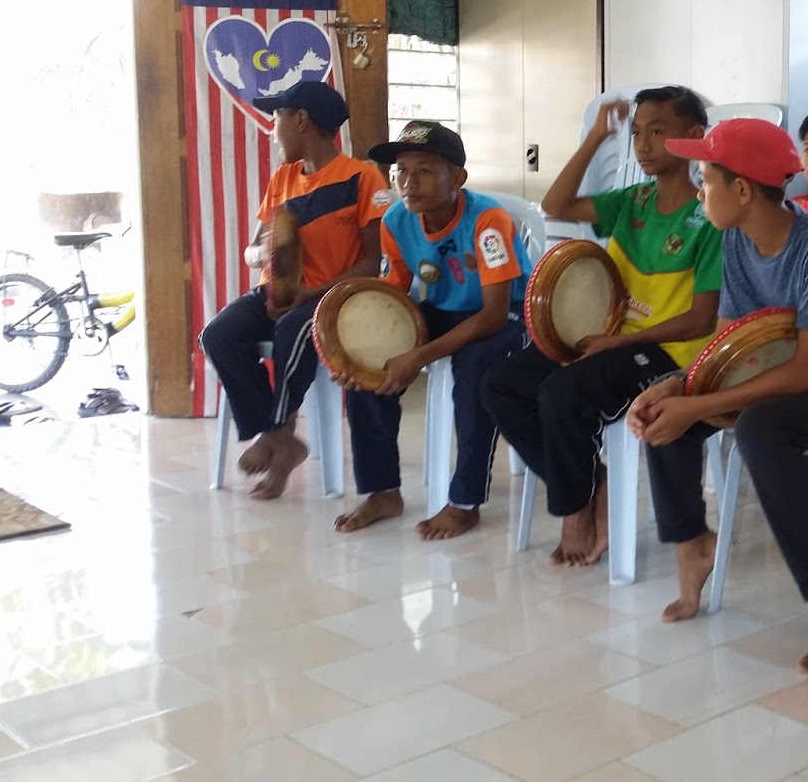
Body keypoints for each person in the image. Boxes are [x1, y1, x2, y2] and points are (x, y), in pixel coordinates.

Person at [626, 118, 808, 675]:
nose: (698, 188)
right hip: (787, 371)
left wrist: (698, 404)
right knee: (664, 411)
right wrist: (675, 388)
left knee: (760, 428)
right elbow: (726, 347)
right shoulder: (735, 237)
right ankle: (693, 546)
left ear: (741, 190)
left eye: (705, 178)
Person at [481, 86, 721, 567]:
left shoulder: (708, 216)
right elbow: (556, 203)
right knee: (501, 385)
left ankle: (576, 511)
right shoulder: (632, 201)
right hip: (608, 335)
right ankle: (593, 483)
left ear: (695, 138)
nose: (644, 145)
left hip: (669, 352)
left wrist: (621, 340)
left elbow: (702, 318)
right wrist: (595, 138)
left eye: (658, 132)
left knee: (562, 395)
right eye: (636, 135)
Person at [330, 122, 531, 541]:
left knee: (475, 367)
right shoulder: (396, 221)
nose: (408, 182)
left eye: (424, 170)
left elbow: (493, 316)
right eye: (401, 170)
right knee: (372, 368)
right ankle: (382, 490)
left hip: (508, 313)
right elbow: (393, 300)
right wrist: (358, 355)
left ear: (456, 178)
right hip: (443, 308)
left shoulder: (488, 221)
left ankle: (465, 500)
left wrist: (419, 355)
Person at [199, 81, 388, 500]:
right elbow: (255, 247)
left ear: (301, 120)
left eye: (276, 119)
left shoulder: (362, 177)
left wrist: (311, 291)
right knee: (218, 335)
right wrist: (262, 259)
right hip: (279, 291)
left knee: (292, 332)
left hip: (333, 295)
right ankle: (281, 440)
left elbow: (373, 263)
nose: (272, 130)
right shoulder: (282, 179)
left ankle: (277, 433)